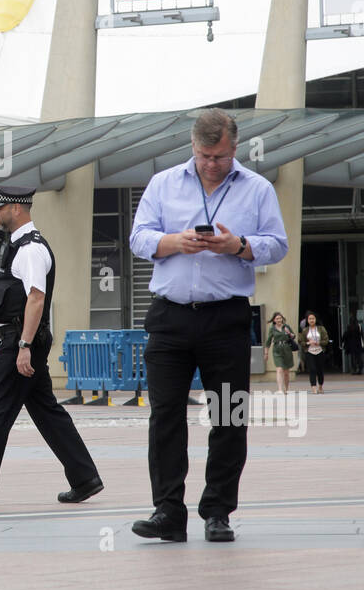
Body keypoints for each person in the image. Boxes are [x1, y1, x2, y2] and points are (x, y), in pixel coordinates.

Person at [127, 109, 288, 543]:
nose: (211, 164)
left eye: (218, 156)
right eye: (203, 156)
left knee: (229, 416)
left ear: (234, 148)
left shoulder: (257, 188)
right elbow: (138, 236)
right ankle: (167, 512)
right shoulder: (163, 184)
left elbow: (278, 244)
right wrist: (172, 242)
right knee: (165, 416)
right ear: (192, 147)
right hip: (169, 316)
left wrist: (240, 245)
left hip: (226, 318)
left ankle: (218, 511)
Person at [0, 186, 103, 507]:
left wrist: (24, 345)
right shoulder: (12, 246)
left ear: (16, 208)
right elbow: (6, 299)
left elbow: (36, 298)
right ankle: (85, 478)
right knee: (47, 412)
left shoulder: (30, 249)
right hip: (14, 338)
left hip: (19, 342)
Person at [264, 312, 295, 394]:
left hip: (287, 349)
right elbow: (268, 341)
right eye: (277, 318)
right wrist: (266, 353)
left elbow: (293, 336)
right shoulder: (272, 329)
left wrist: (289, 333)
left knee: (286, 372)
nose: (279, 320)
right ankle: (280, 389)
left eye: (280, 318)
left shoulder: (286, 327)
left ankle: (286, 389)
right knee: (279, 369)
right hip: (277, 350)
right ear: (274, 320)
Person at [301, 312, 330, 394]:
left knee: (320, 370)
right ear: (307, 320)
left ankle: (320, 386)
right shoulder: (305, 330)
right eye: (310, 319)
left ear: (316, 319)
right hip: (310, 352)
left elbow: (326, 340)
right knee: (312, 369)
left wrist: (319, 343)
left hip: (320, 351)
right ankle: (313, 387)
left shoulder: (321, 328)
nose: (311, 320)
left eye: (313, 318)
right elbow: (302, 342)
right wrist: (308, 343)